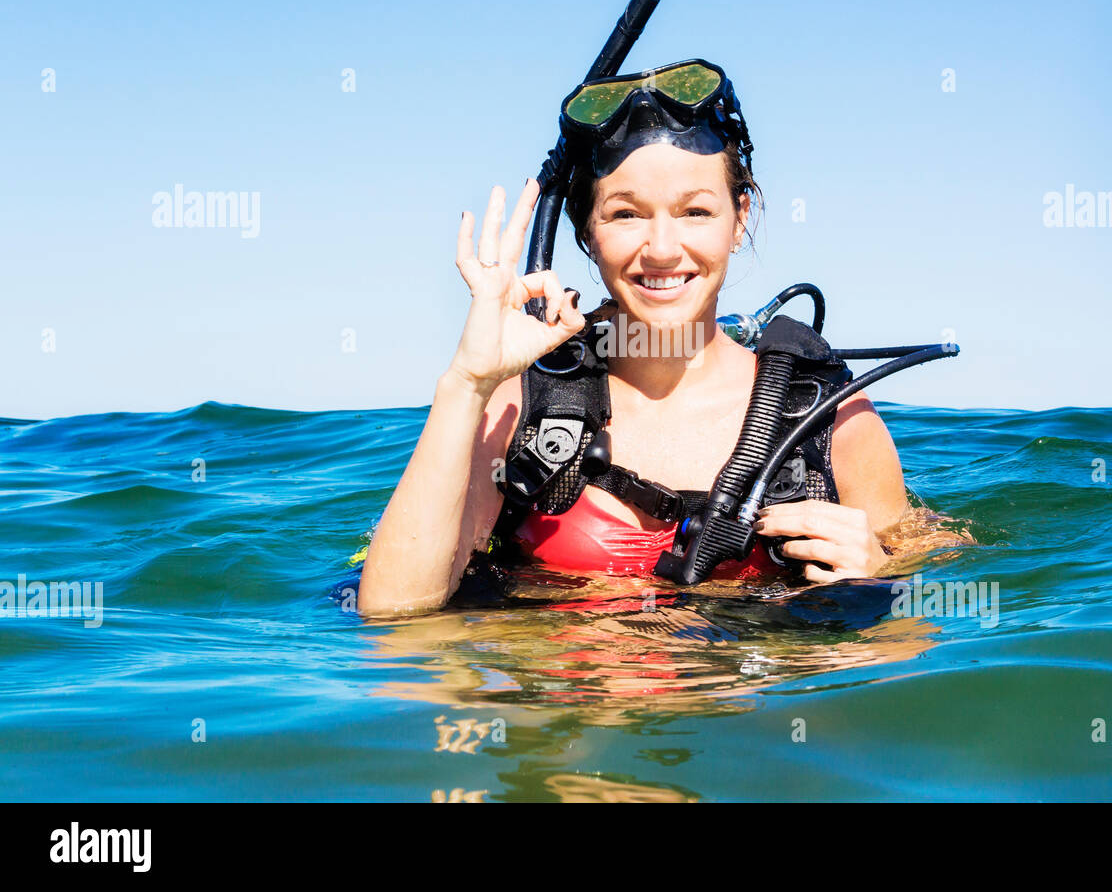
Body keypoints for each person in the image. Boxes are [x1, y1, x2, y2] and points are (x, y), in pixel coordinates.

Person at [358, 60, 928, 618]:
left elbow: (916, 630)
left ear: (740, 218)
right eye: (627, 214)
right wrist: (468, 382)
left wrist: (880, 576)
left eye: (696, 211)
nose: (660, 248)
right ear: (587, 230)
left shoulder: (829, 420)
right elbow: (393, 620)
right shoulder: (520, 410)